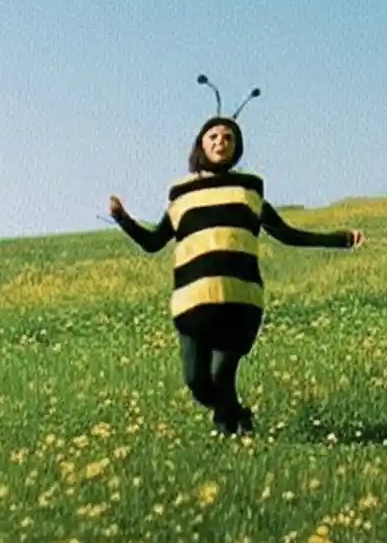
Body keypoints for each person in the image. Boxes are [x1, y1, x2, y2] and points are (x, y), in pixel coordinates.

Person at [108, 98, 365, 437]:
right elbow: (154, 242)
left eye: (228, 137)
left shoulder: (248, 192)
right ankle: (236, 417)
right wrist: (123, 219)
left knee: (220, 377)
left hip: (239, 301)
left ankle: (231, 435)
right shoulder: (181, 196)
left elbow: (287, 234)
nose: (221, 141)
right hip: (192, 301)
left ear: (236, 148)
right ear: (201, 144)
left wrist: (341, 239)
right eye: (213, 136)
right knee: (197, 382)